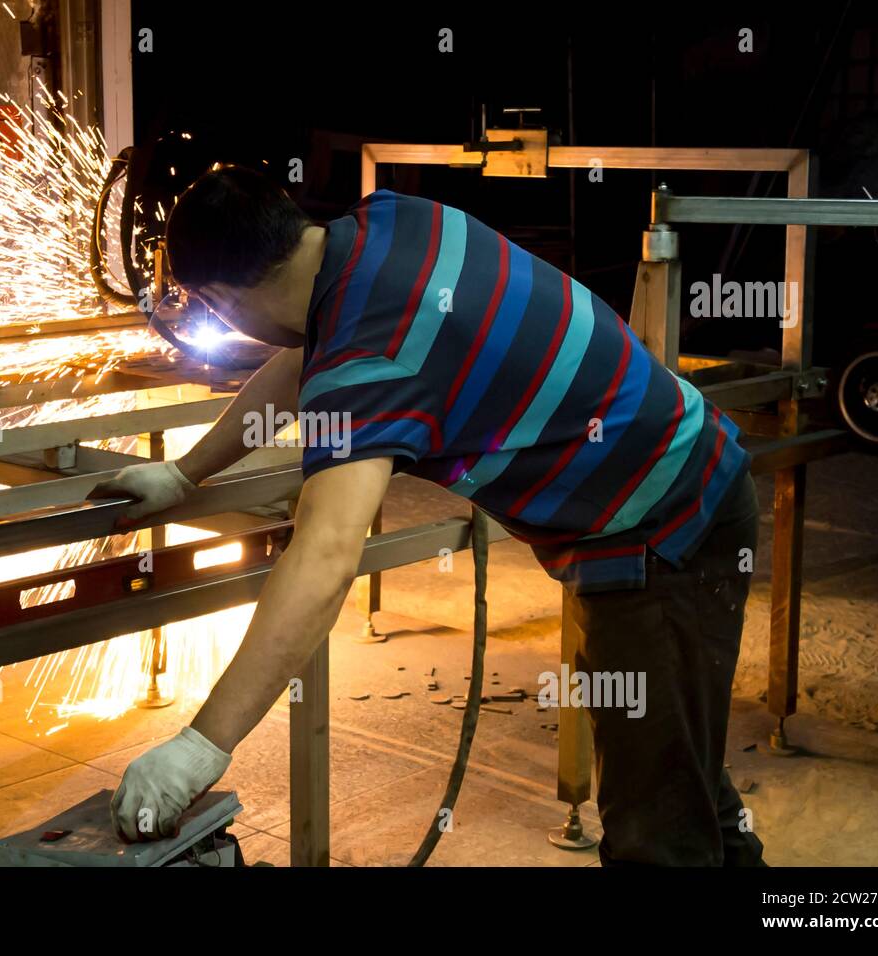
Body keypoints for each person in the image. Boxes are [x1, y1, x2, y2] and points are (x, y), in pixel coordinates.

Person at [95, 165, 766, 866]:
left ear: (222, 298)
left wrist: (202, 745)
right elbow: (306, 361)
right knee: (684, 785)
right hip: (685, 487)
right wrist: (185, 472)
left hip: (661, 534)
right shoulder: (386, 224)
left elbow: (324, 560)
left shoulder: (367, 357)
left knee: (657, 838)